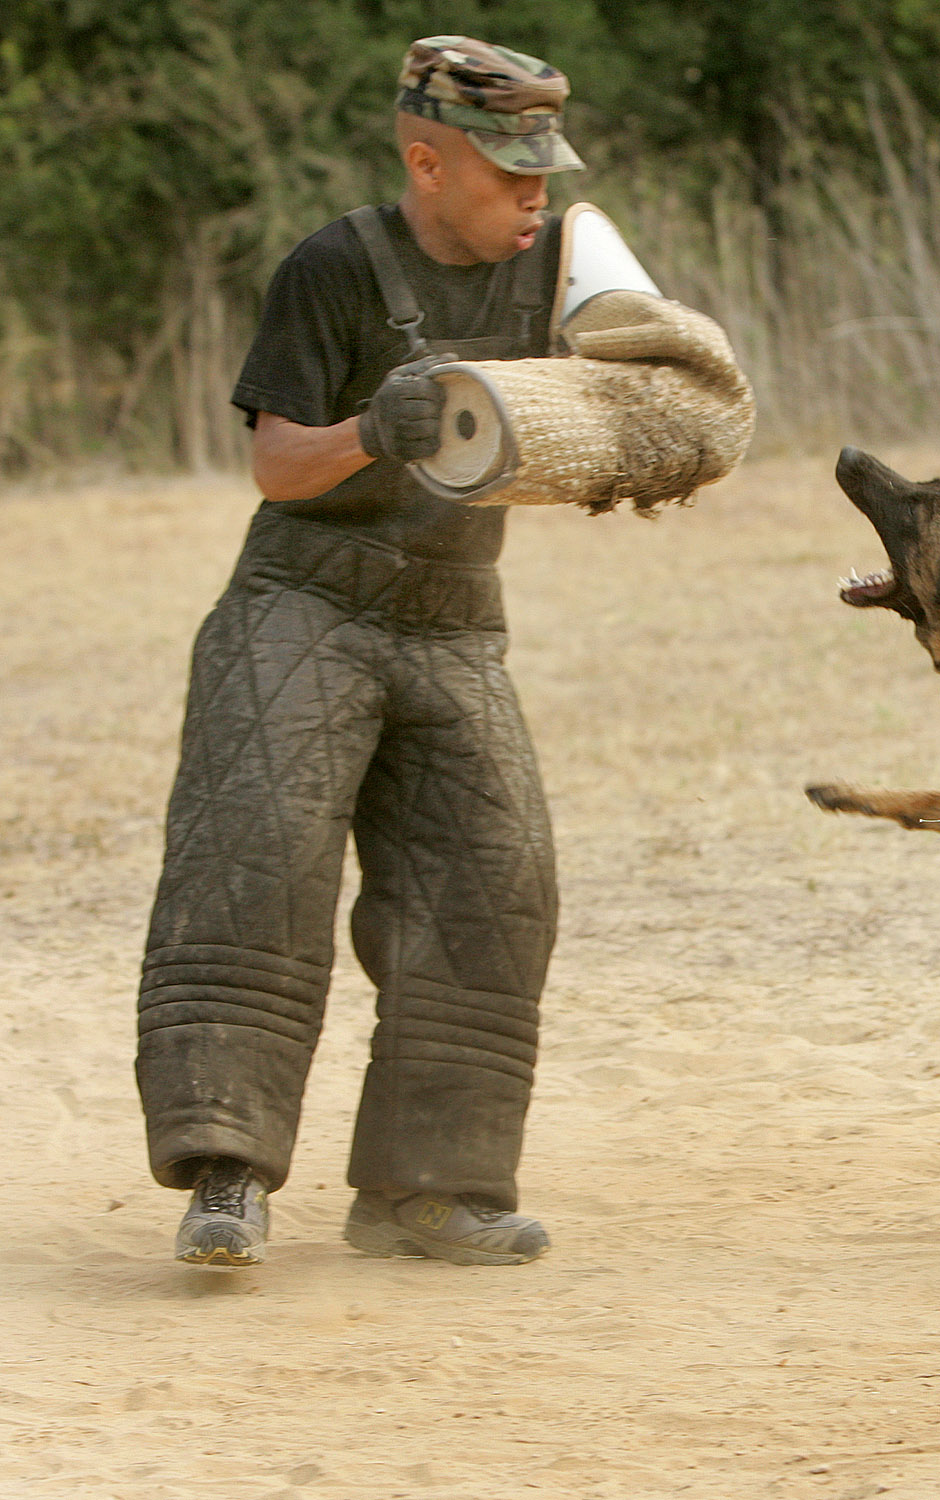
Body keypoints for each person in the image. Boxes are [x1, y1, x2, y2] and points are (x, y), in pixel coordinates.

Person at [137, 37, 594, 1268]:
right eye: (511, 174)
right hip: (301, 606)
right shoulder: (331, 266)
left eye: (545, 173)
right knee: (258, 867)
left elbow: (631, 377)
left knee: (495, 879)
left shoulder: (563, 263)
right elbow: (276, 465)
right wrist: (371, 430)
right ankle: (226, 1177)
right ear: (427, 164)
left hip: (456, 621)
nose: (536, 196)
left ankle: (427, 1193)